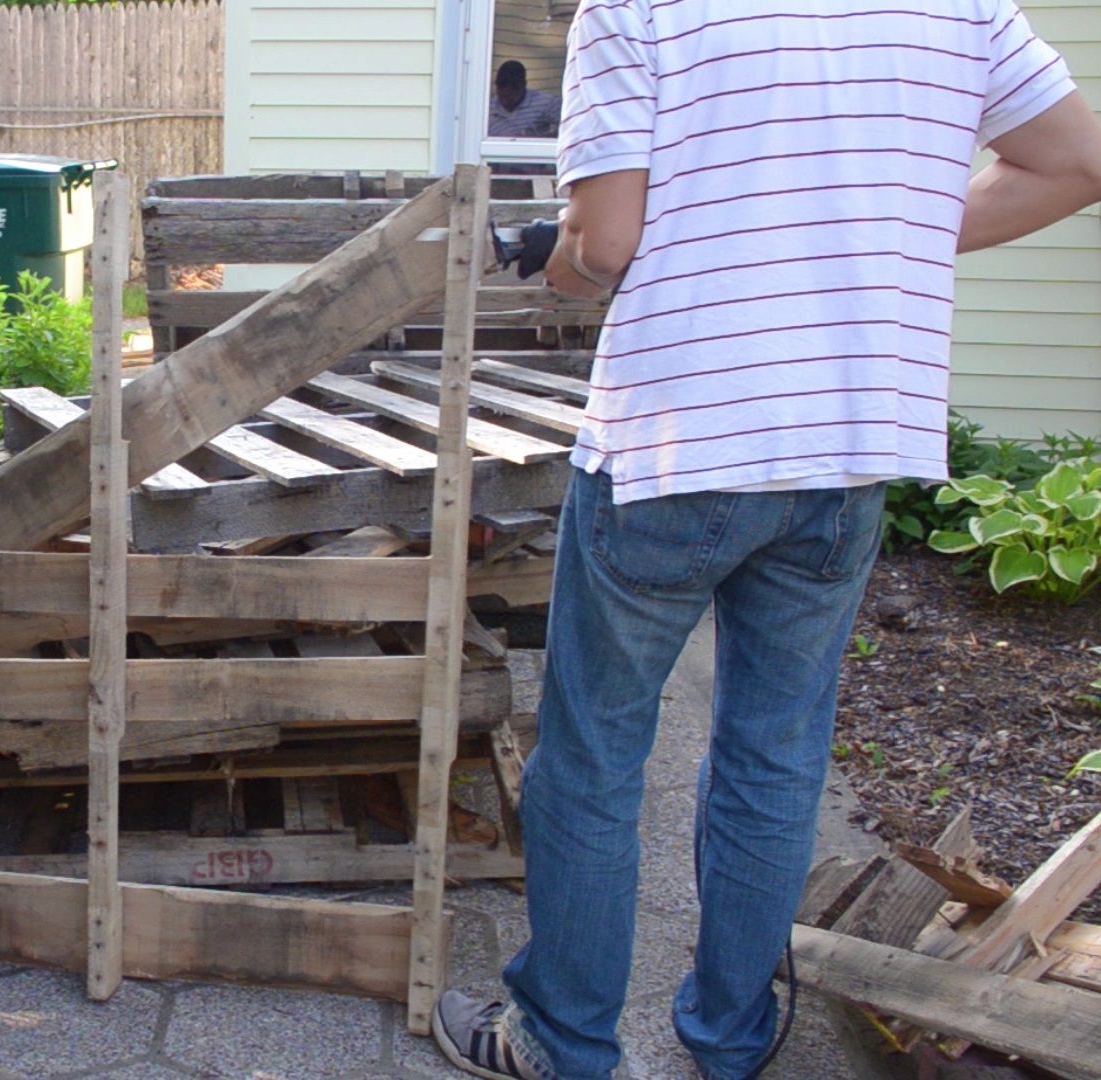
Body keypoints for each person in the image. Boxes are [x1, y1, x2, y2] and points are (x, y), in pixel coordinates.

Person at [436, 2, 1101, 1079]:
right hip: (849, 443)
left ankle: (560, 1040)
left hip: (676, 441)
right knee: (773, 754)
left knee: (596, 755)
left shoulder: (643, 9)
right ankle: (732, 1040)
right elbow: (1074, 161)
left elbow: (603, 244)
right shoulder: (961, 7)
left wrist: (557, 268)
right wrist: (889, 235)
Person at [489, 60, 562, 139]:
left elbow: (570, 124)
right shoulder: (487, 108)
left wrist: (543, 140)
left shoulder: (545, 103)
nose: (507, 92)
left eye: (513, 87)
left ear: (524, 85)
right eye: (502, 85)